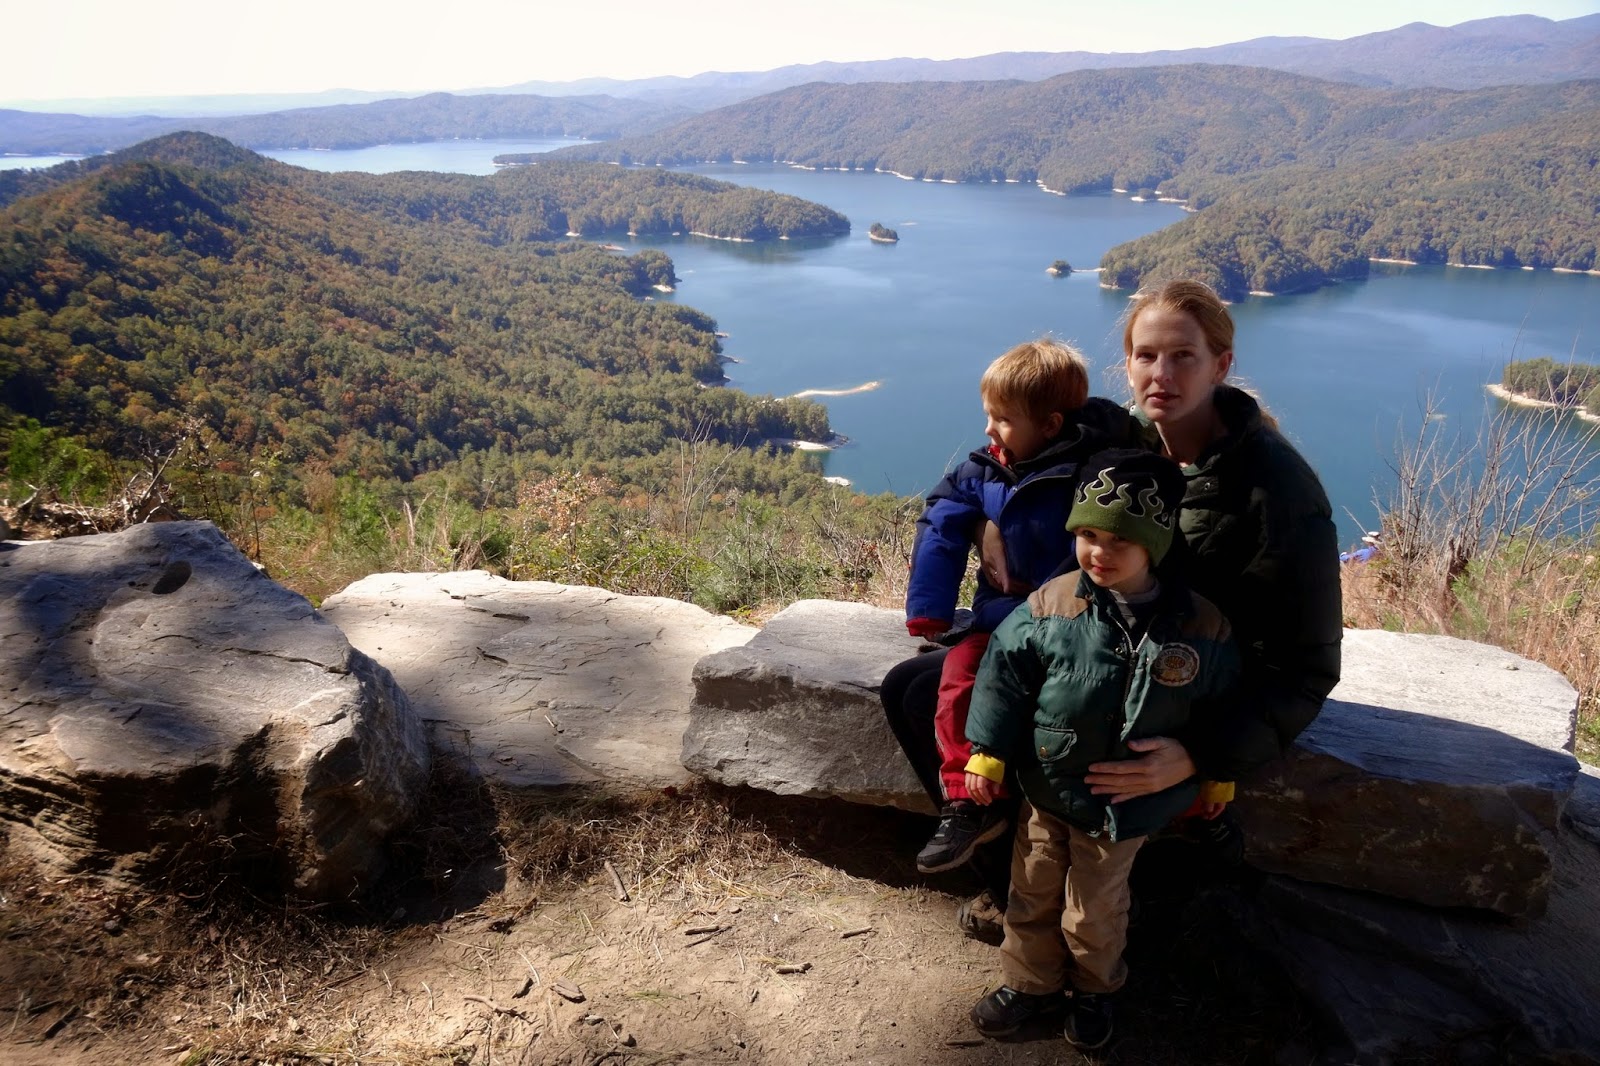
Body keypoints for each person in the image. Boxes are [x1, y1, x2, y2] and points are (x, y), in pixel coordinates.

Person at [882, 277, 1342, 943]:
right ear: (1126, 364)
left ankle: (1079, 919)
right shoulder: (1117, 443)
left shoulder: (1275, 487)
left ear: (1221, 365)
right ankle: (1021, 892)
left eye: (1183, 356)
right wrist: (989, 528)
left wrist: (1200, 755)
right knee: (910, 686)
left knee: (947, 695)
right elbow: (1000, 479)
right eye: (1146, 355)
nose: (1162, 374)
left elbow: (1304, 666)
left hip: (1193, 687)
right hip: (1105, 647)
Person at [962, 449, 1238, 1050]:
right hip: (1048, 789)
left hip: (1123, 807)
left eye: (1120, 540)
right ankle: (1029, 984)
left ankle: (1094, 989)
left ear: (1155, 544)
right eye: (1087, 535)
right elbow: (1003, 678)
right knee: (1031, 891)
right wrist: (987, 751)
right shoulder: (1052, 604)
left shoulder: (1199, 625)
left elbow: (1221, 708)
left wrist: (1216, 773)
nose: (1098, 553)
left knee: (1096, 908)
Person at [901, 339, 1138, 876]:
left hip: (1072, 632)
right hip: (996, 621)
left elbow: (1100, 557)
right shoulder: (984, 470)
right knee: (958, 677)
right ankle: (966, 804)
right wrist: (931, 610)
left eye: (1004, 419)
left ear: (1050, 425)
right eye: (989, 415)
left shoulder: (1094, 477)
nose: (989, 430)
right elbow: (939, 522)